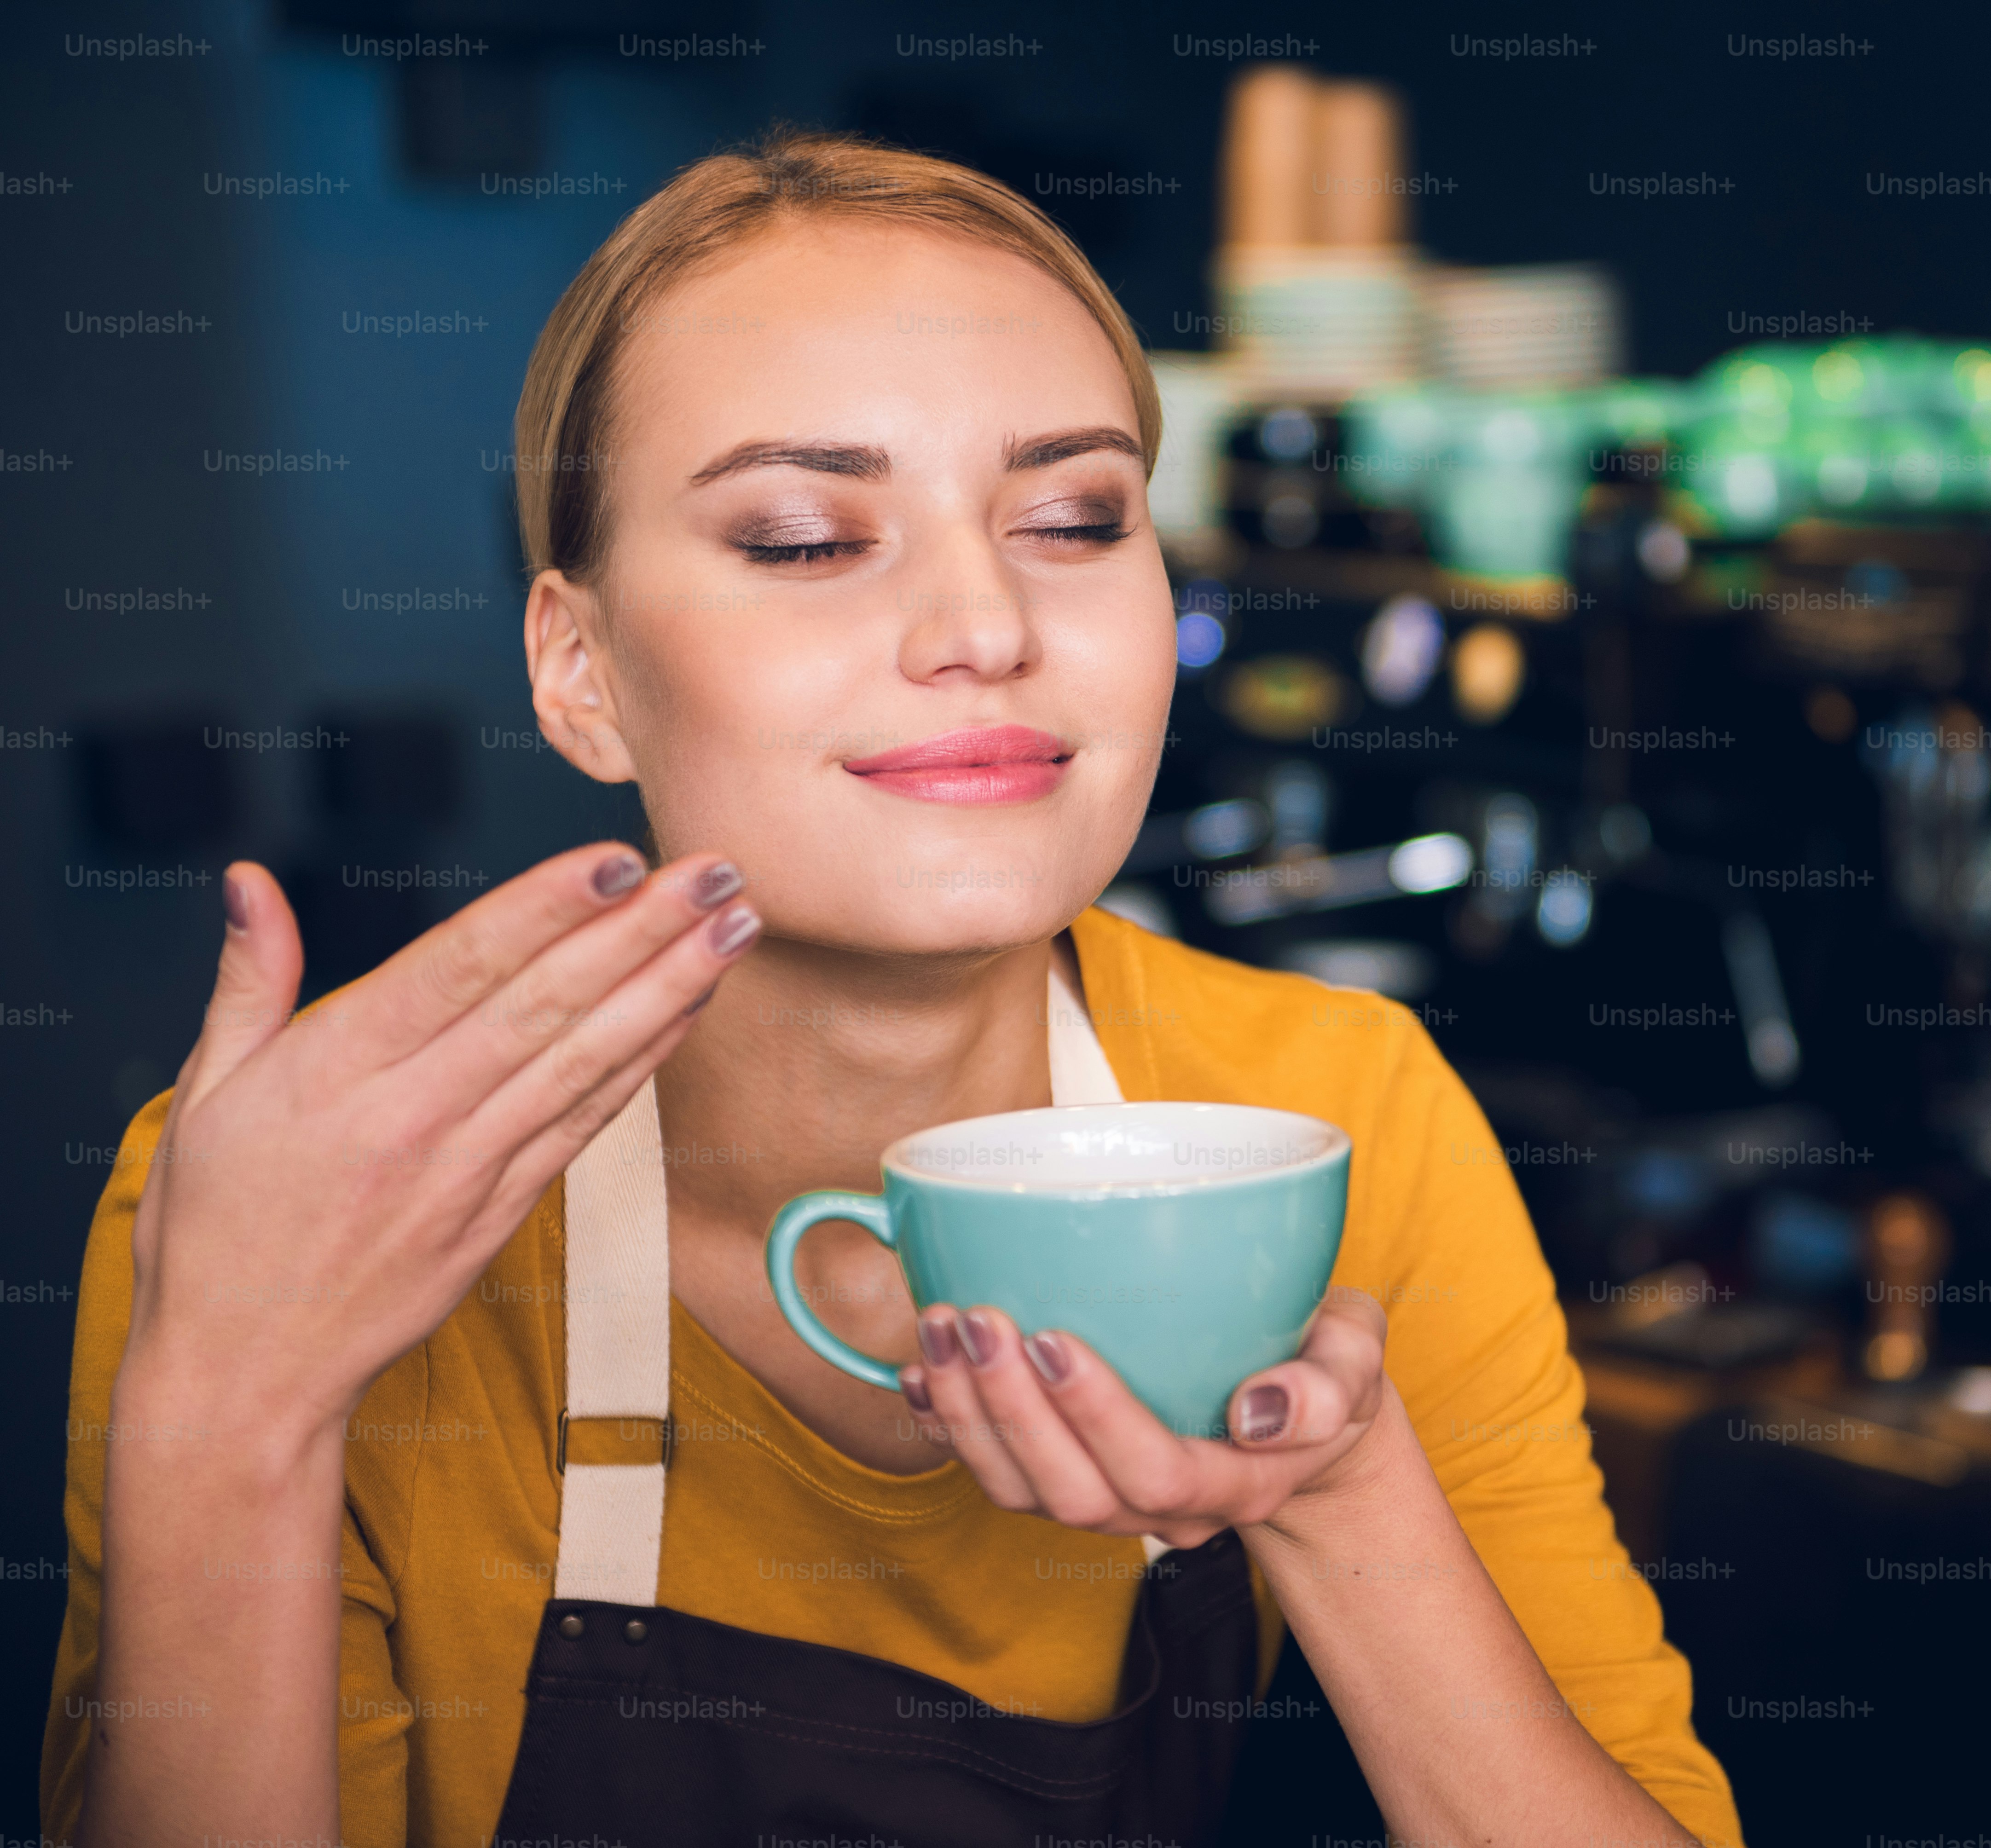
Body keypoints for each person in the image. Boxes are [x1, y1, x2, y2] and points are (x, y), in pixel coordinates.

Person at [44, 129, 1741, 1848]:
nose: (983, 622)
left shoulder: (1335, 1116)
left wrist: (1344, 1497)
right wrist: (232, 1419)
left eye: (1075, 518)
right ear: (581, 671)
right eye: (800, 538)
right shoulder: (277, 1193)